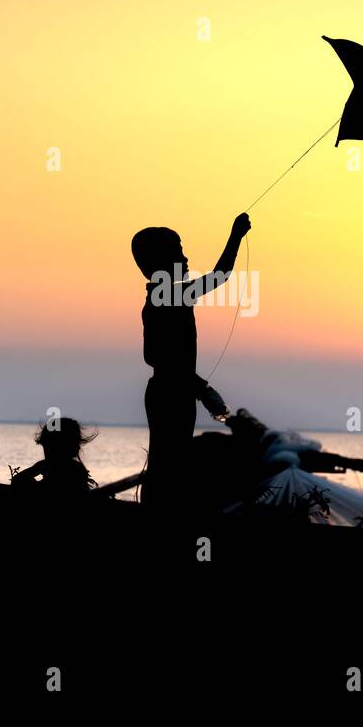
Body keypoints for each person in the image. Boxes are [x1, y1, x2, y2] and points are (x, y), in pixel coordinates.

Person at [130, 212, 250, 507]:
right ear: (159, 263)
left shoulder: (172, 295)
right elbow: (153, 356)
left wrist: (196, 387)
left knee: (170, 460)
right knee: (166, 462)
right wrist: (235, 236)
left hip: (175, 391)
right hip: (169, 393)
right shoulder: (167, 296)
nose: (186, 258)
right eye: (178, 252)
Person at [11, 417, 98, 500]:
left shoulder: (75, 470)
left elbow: (17, 480)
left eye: (52, 448)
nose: (48, 452)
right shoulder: (77, 468)